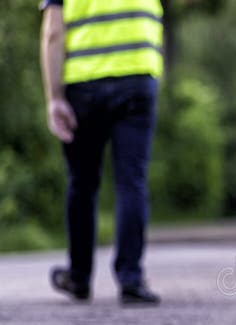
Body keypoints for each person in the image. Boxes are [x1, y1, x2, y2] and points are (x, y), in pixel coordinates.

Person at [40, 0, 163, 305]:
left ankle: (79, 277)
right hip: (137, 79)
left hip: (84, 85)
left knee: (82, 183)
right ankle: (131, 279)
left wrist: (54, 98)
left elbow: (53, 33)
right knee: (131, 181)